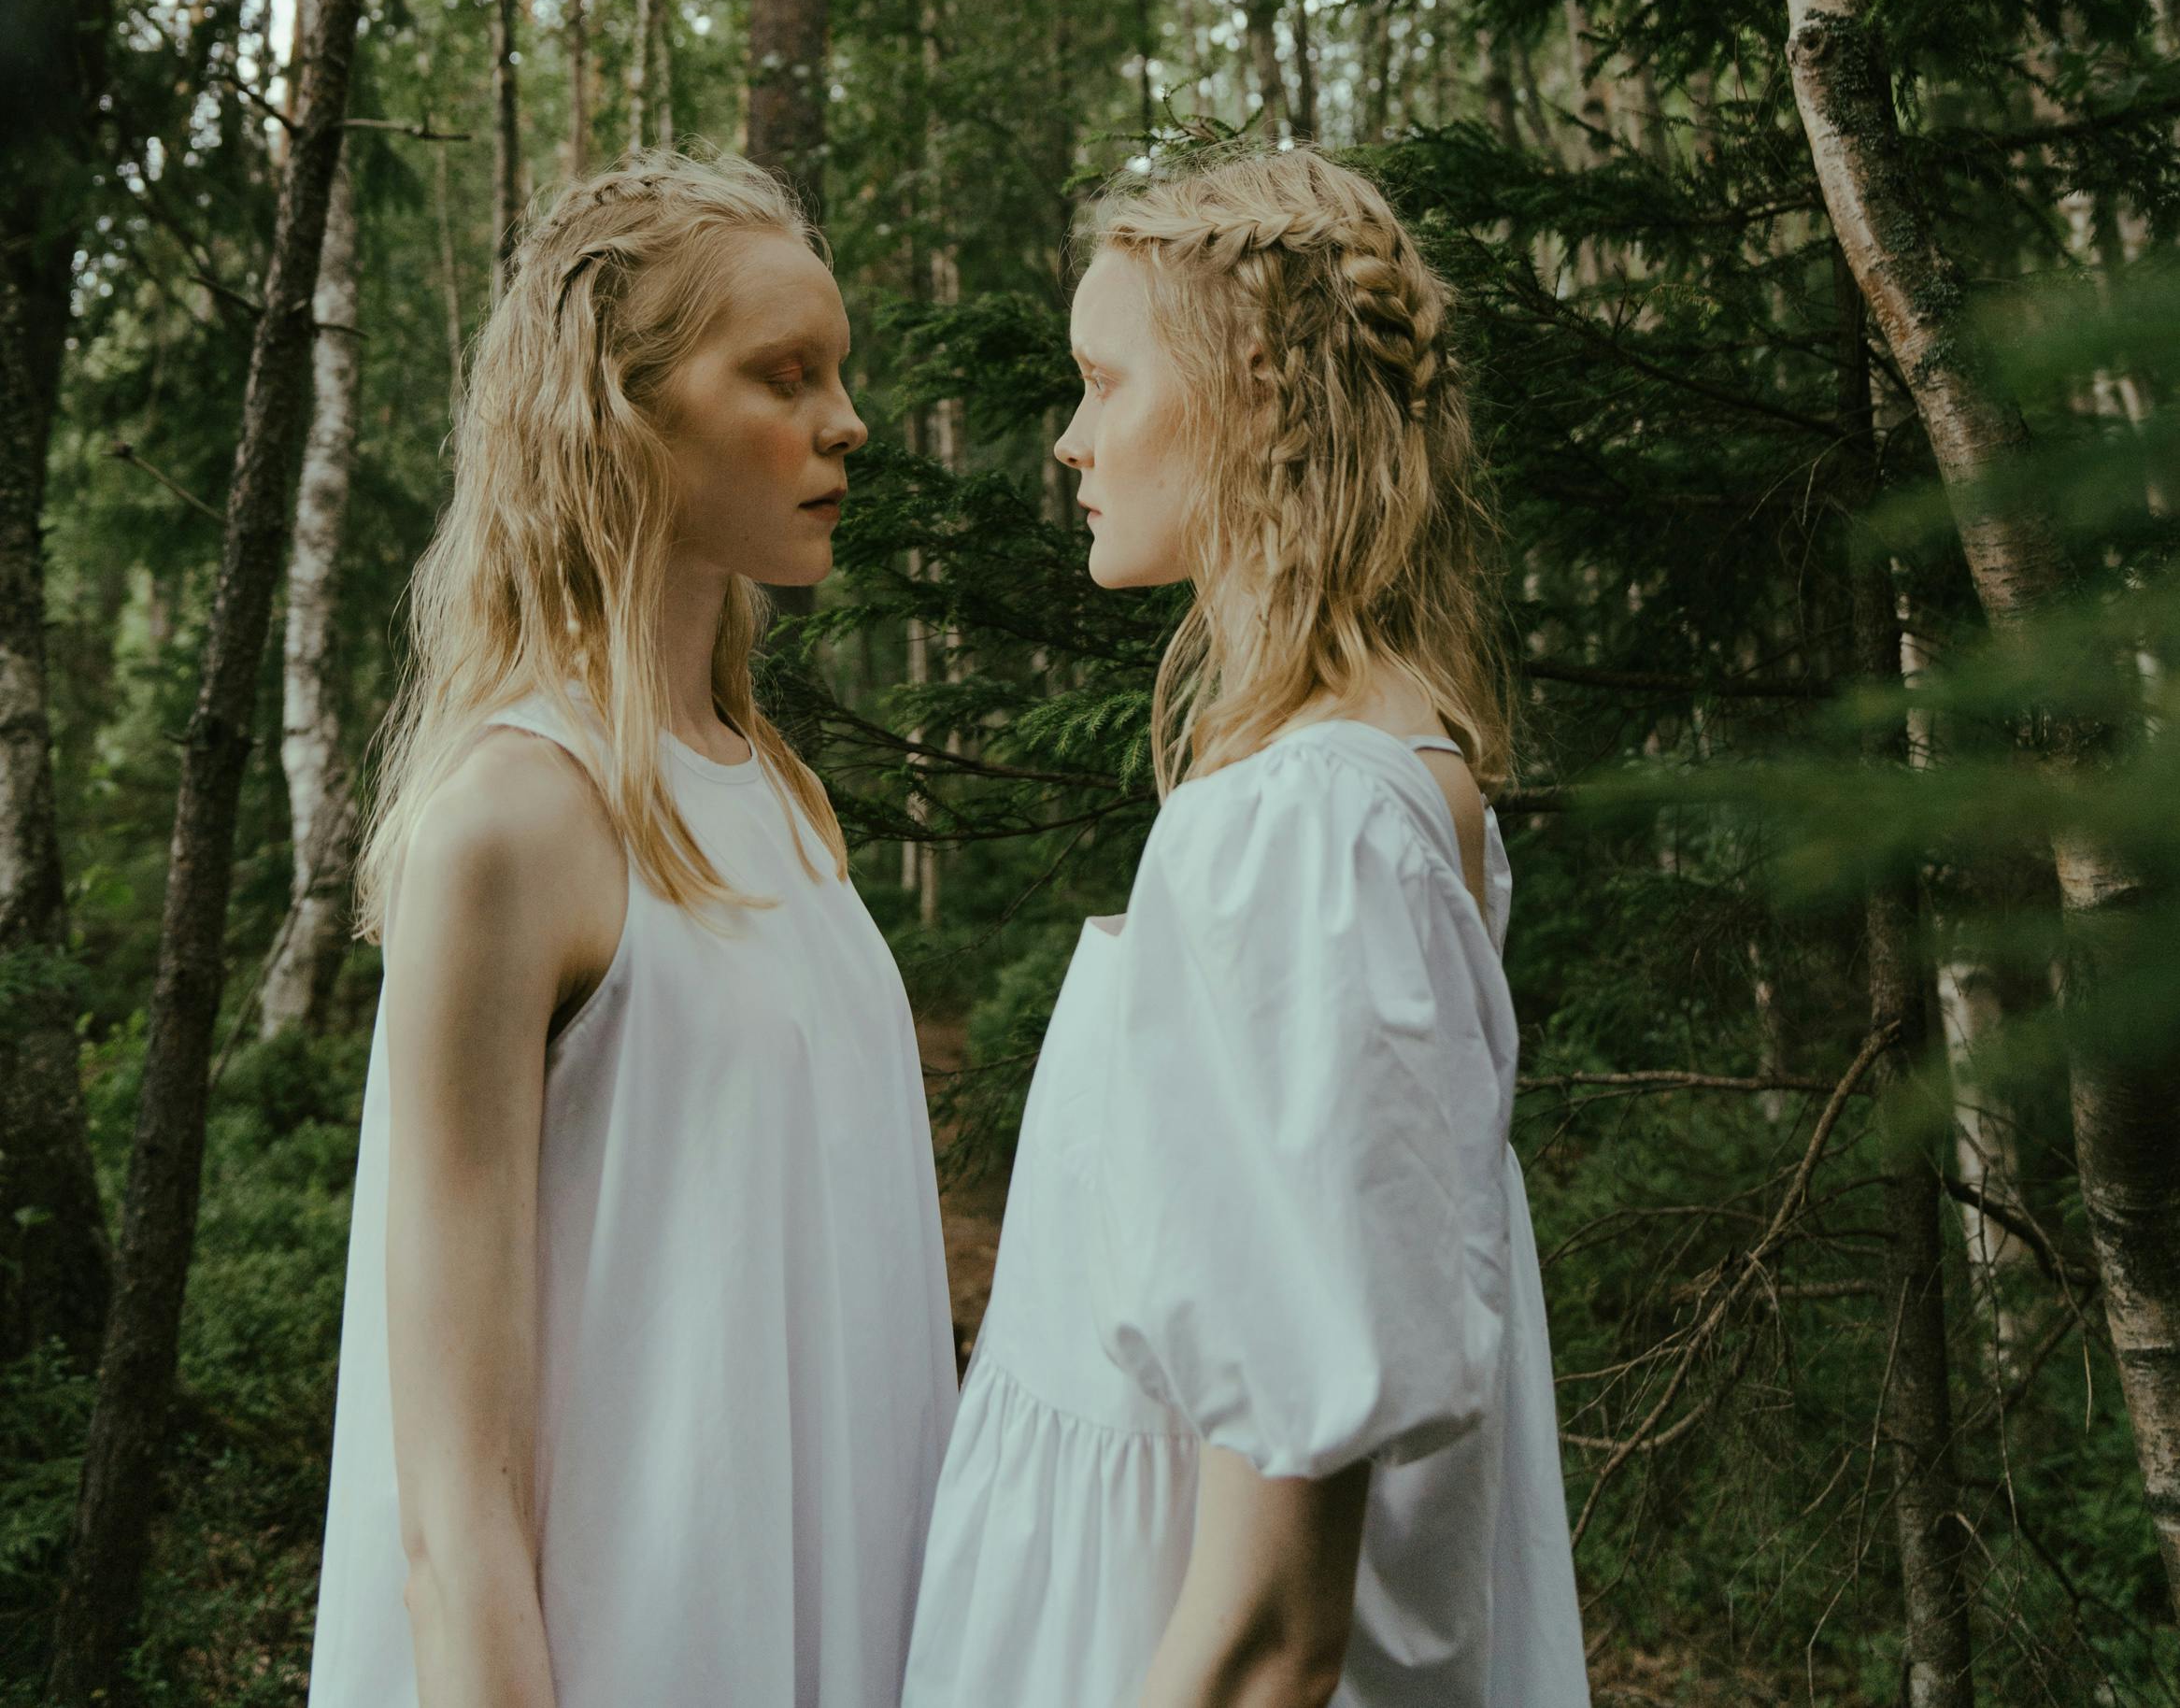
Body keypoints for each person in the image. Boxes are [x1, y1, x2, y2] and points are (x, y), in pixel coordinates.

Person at [902, 147, 1589, 1708]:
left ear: (1262, 395)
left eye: (1101, 381)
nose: (1071, 441)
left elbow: (1273, 1632)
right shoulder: (1384, 781)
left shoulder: (1307, 832)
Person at [309, 151, 956, 1708]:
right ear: (620, 407)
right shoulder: (512, 825)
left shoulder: (778, 795)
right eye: (784, 374)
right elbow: (450, 1507)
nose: (846, 419)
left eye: (840, 372)